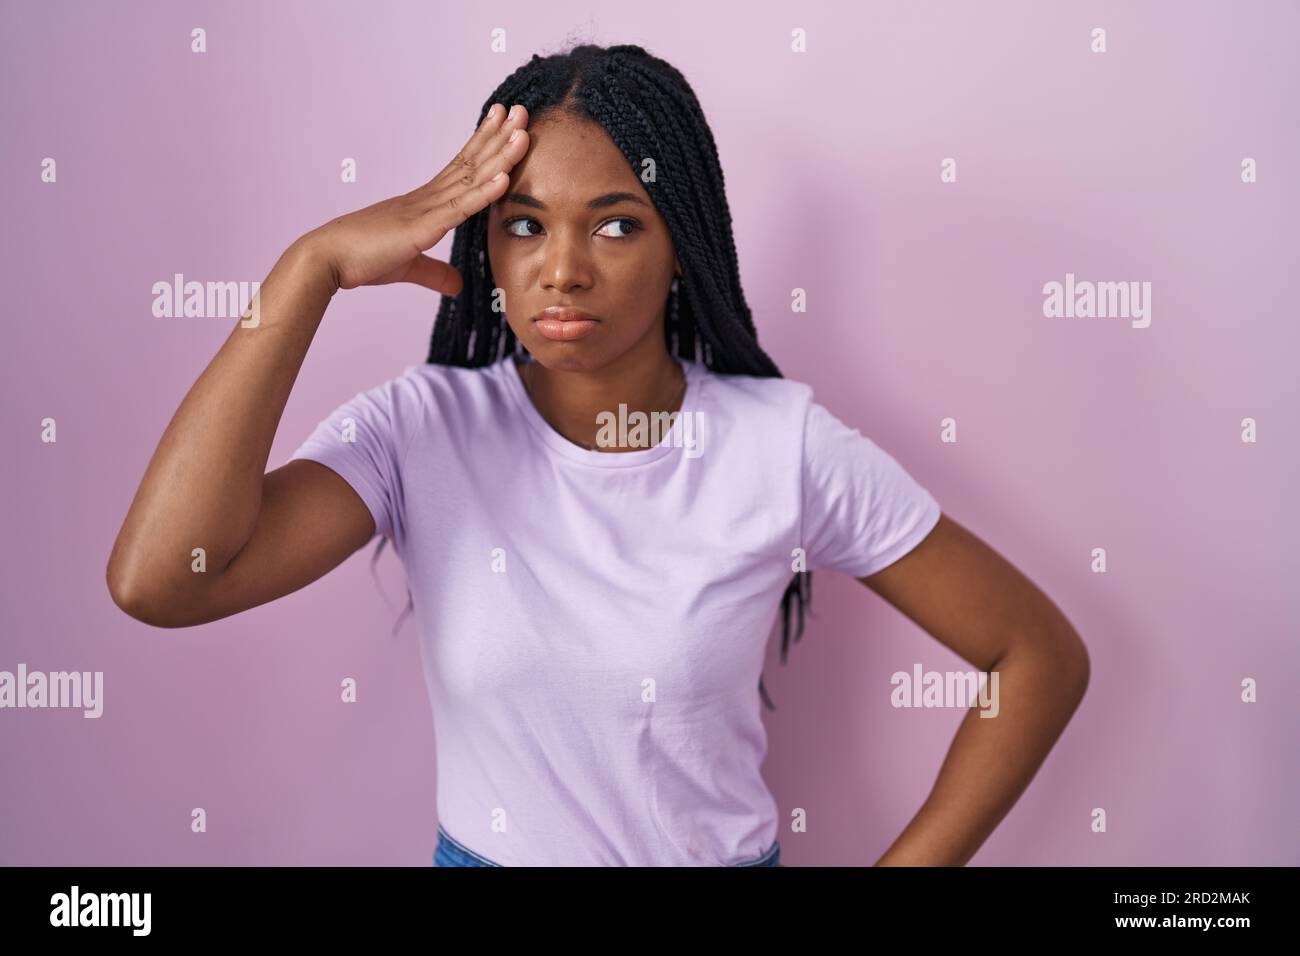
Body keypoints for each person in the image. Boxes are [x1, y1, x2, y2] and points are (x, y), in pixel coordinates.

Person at [106, 43, 1090, 867]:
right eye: (522, 225)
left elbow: (1036, 653)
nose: (562, 269)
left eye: (615, 223)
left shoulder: (777, 445)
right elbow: (163, 579)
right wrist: (308, 268)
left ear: (679, 246)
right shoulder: (419, 429)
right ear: (486, 250)